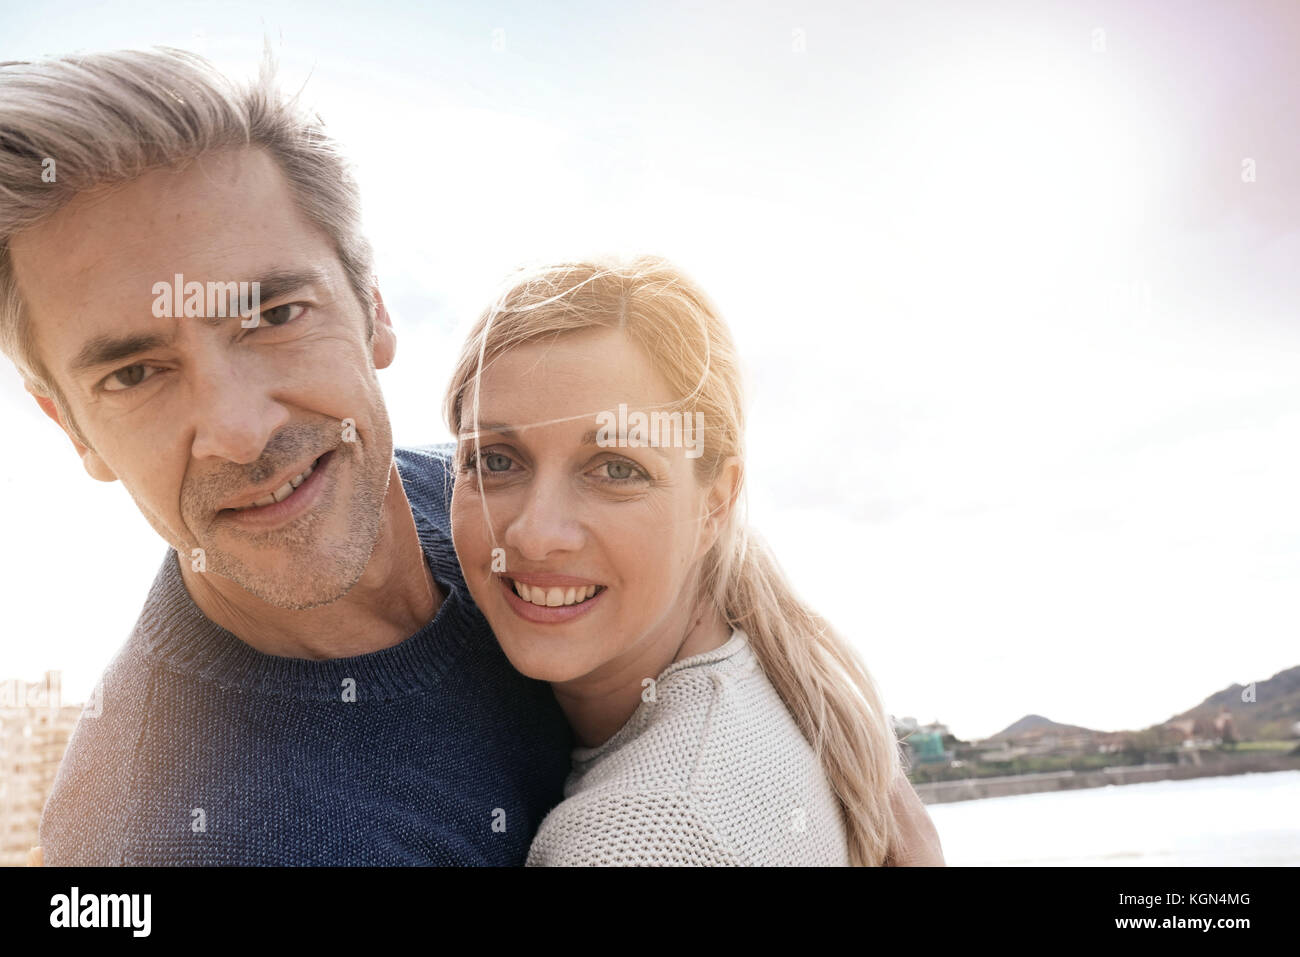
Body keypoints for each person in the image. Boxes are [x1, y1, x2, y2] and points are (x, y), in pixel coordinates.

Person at [0, 47, 572, 864]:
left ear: (372, 305)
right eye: (135, 373)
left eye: (274, 314)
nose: (238, 430)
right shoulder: (162, 847)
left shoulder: (517, 500)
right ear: (73, 430)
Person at [443, 257, 945, 865]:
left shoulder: (640, 838)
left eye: (616, 469)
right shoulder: (764, 674)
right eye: (496, 460)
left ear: (716, 501)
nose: (534, 534)